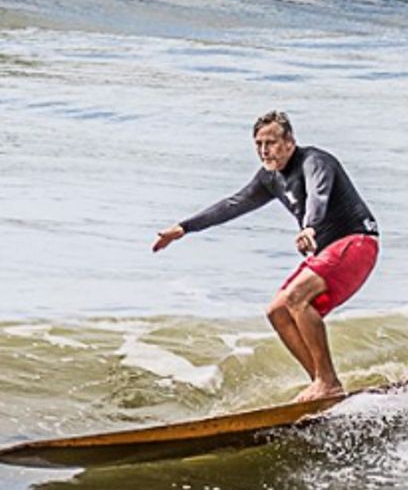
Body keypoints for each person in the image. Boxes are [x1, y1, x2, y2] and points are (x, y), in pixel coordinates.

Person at [152, 111, 380, 402]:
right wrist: (184, 227)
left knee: (297, 298)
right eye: (258, 144)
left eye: (271, 142)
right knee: (278, 311)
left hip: (355, 242)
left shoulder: (315, 161)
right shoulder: (270, 178)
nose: (264, 150)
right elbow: (234, 204)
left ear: (289, 142)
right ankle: (325, 387)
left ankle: (327, 382)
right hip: (329, 252)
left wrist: (310, 227)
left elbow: (317, 195)